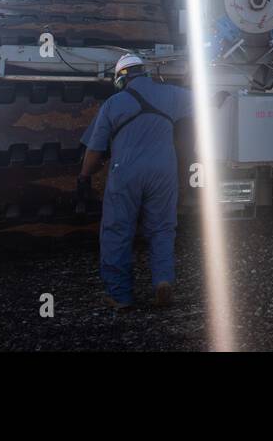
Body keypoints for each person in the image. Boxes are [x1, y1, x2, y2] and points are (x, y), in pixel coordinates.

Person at [78, 54, 190, 310]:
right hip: (164, 170)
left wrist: (85, 176)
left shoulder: (113, 103)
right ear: (145, 73)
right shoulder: (172, 94)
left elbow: (95, 150)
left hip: (126, 171)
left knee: (117, 230)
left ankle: (120, 295)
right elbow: (206, 101)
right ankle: (163, 281)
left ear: (120, 78)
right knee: (162, 229)